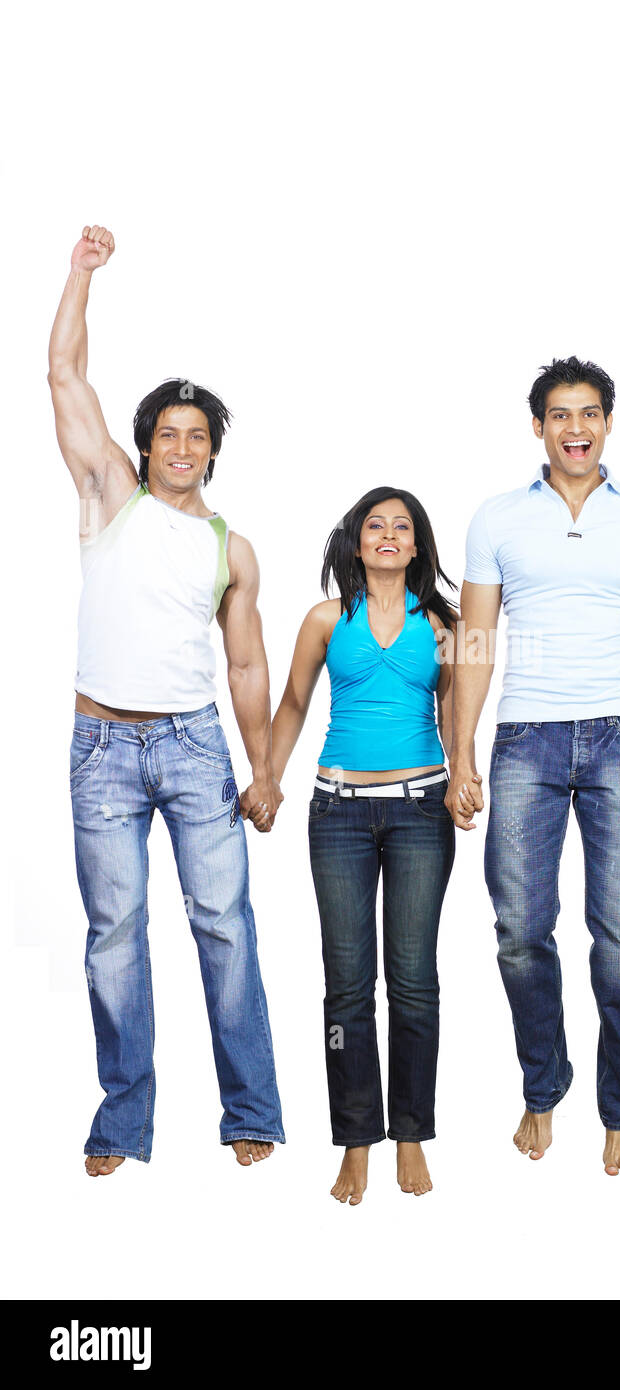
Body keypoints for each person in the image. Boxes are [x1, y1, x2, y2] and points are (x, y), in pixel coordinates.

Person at [49, 225, 285, 1175]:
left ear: (213, 453)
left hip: (194, 750)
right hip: (101, 745)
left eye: (198, 437)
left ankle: (251, 1112)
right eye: (167, 434)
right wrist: (81, 274)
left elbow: (247, 671)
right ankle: (122, 1127)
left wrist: (265, 768)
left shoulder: (232, 547)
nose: (181, 447)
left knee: (224, 925)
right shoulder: (111, 498)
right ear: (142, 446)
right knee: (114, 939)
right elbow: (64, 376)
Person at [446, 356, 620, 1176]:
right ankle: (543, 1086)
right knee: (519, 931)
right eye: (560, 415)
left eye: (589, 414)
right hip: (526, 737)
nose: (575, 429)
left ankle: (619, 1108)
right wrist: (462, 754)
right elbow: (475, 643)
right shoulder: (496, 518)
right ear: (538, 426)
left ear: (608, 423)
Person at [269, 487, 456, 1204]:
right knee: (347, 987)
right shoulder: (324, 619)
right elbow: (291, 705)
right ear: (355, 544)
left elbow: (458, 707)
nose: (387, 534)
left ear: (416, 546)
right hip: (337, 813)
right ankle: (355, 1142)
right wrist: (267, 780)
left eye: (400, 526)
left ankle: (409, 1134)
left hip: (419, 811)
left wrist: (463, 774)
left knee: (412, 983)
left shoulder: (447, 622)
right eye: (373, 525)